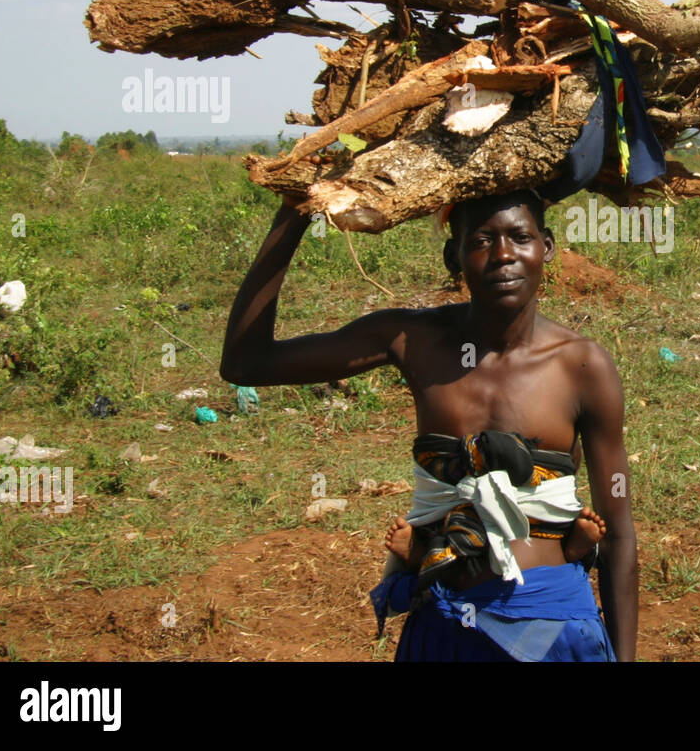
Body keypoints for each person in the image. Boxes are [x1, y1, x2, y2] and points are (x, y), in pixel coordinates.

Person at [219, 190, 637, 661]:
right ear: (452, 256)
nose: (503, 255)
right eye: (481, 240)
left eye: (520, 237)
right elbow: (246, 363)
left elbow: (618, 532)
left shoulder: (581, 366)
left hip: (555, 627)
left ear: (548, 247)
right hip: (446, 623)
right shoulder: (413, 339)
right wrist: (294, 211)